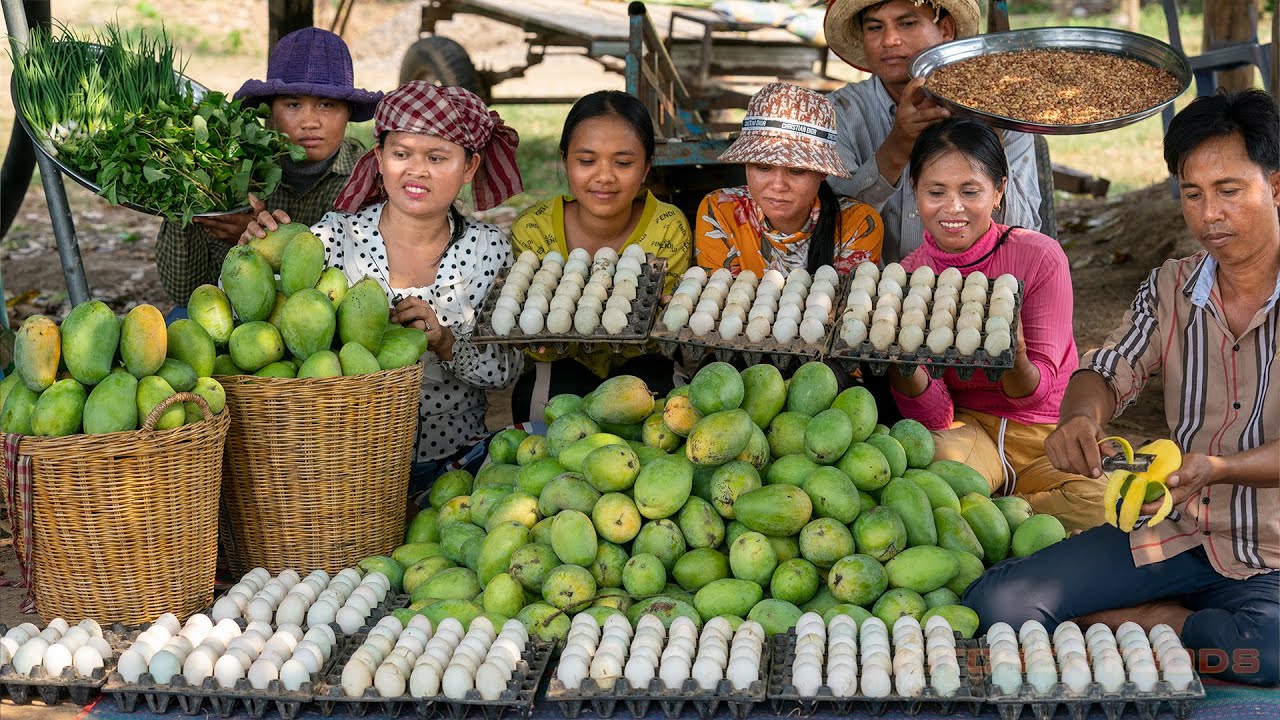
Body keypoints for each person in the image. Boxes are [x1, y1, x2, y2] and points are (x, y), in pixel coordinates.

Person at [964, 90, 1279, 687]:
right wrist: (1081, 417)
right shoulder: (1171, 287)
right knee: (999, 607)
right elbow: (1108, 367)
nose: (1209, 213)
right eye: (1192, 194)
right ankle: (1165, 624)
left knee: (1267, 651)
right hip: (1178, 527)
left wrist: (1219, 466)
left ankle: (1158, 624)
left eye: (1230, 191)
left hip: (1273, 550)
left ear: (1278, 187)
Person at [242, 81, 524, 491]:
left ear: (469, 167)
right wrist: (253, 258)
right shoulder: (337, 238)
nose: (417, 170)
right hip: (346, 460)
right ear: (379, 157)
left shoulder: (489, 251)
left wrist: (446, 343)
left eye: (437, 157)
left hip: (456, 461)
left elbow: (506, 370)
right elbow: (255, 319)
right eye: (401, 153)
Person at [888, 118, 1102, 531]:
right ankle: (1007, 517)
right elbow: (935, 416)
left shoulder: (1039, 257)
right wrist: (903, 362)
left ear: (999, 192)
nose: (953, 208)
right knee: (930, 476)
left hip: (1044, 436)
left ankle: (995, 514)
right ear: (914, 191)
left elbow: (1035, 394)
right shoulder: (909, 279)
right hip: (972, 431)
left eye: (970, 191)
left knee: (1101, 503)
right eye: (936, 192)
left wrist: (1015, 359)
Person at [155, 27, 382, 308]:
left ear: (348, 113)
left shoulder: (369, 183)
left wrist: (264, 244)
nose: (310, 121)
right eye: (293, 104)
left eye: (326, 105)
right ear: (269, 113)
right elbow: (185, 293)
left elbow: (359, 291)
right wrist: (188, 201)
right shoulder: (231, 175)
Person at [508, 91, 692, 423]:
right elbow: (527, 324)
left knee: (662, 393)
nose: (604, 176)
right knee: (546, 390)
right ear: (565, 160)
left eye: (622, 163)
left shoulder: (666, 226)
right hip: (562, 365)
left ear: (647, 167)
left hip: (645, 367)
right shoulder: (533, 228)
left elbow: (669, 332)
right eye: (587, 161)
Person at [823, 0, 1041, 263]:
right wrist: (898, 144)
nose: (890, 39)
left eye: (907, 23)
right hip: (872, 294)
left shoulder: (1002, 112)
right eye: (875, 27)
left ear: (946, 29)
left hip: (979, 289)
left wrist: (989, 137)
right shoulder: (838, 112)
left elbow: (1023, 232)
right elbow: (830, 229)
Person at [695, 82, 884, 275]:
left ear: (822, 172)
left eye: (796, 171)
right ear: (746, 165)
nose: (778, 185)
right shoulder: (720, 211)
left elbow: (849, 303)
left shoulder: (859, 225)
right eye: (763, 167)